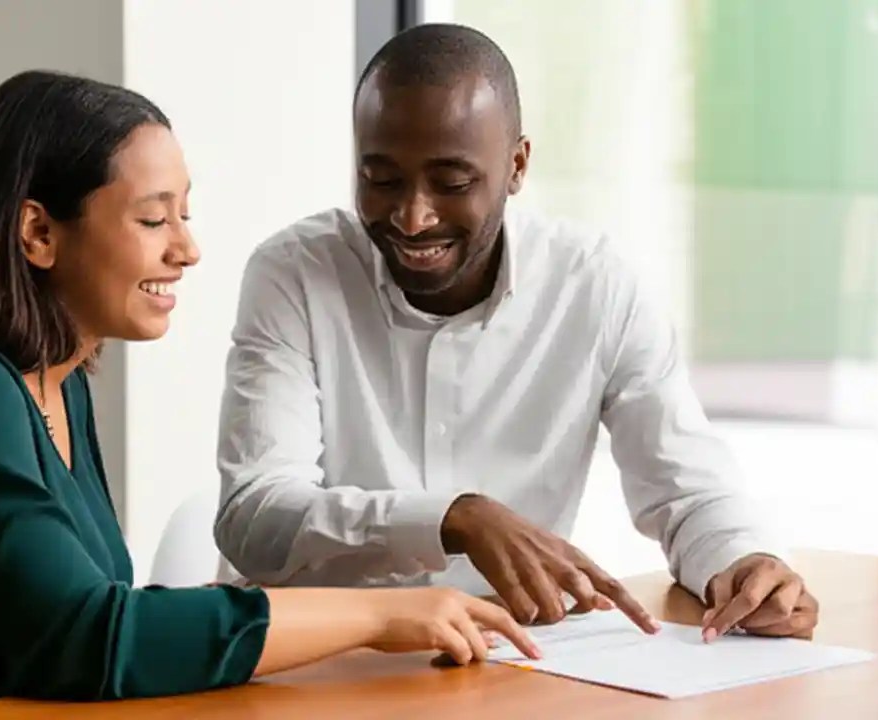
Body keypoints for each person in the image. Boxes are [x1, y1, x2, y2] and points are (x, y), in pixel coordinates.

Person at [0, 70, 537, 720]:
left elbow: (75, 611)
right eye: (152, 217)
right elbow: (81, 638)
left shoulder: (55, 381)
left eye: (185, 213)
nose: (187, 247)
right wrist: (378, 615)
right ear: (38, 233)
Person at [215, 23, 819, 642]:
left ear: (517, 166)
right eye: (382, 179)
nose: (413, 216)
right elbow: (254, 517)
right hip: (316, 664)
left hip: (505, 664)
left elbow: (687, 493)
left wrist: (743, 561)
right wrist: (451, 519)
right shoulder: (293, 274)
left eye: (451, 184)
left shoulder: (596, 288)